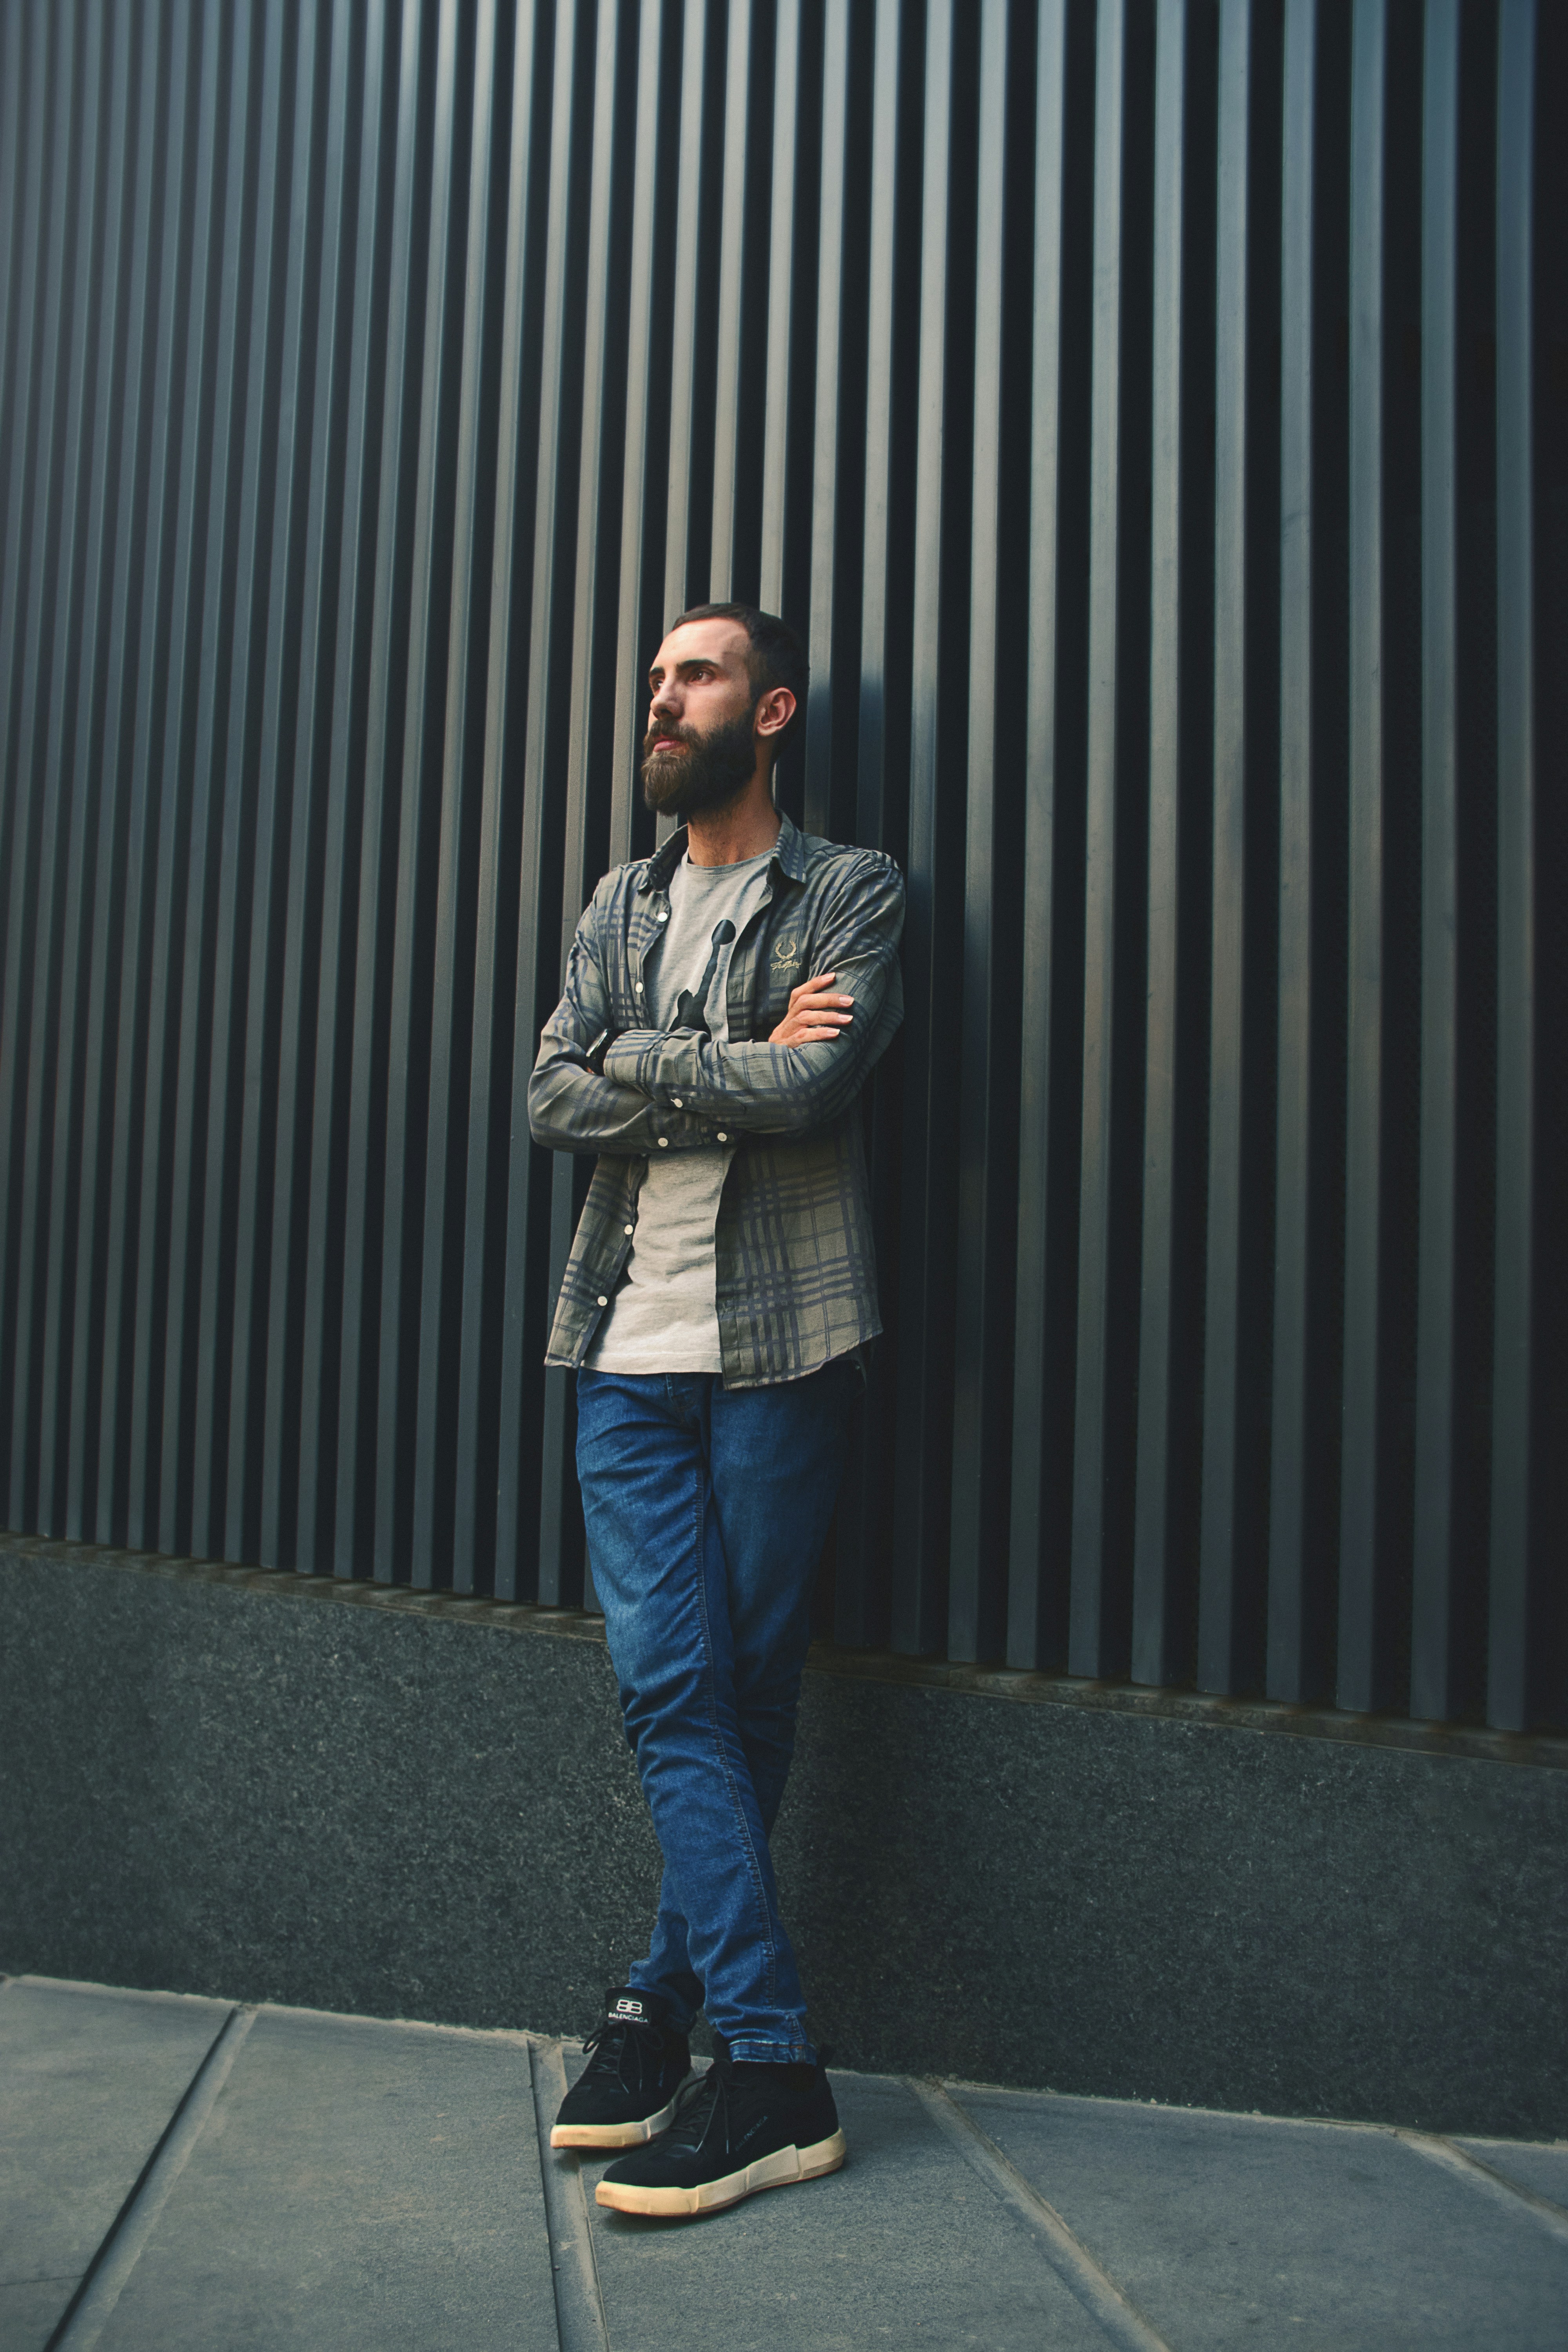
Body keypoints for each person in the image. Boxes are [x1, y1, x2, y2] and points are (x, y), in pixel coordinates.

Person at [527, 603, 905, 2219]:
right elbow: (549, 1091)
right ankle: (768, 2061)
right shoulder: (619, 898)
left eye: (694, 676)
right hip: (623, 1348)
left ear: (772, 711)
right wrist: (727, 1052)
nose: (660, 700)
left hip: (780, 1346)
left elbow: (820, 1087)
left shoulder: (848, 891)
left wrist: (647, 1060)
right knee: (670, 1686)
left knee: (740, 1695)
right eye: (657, 679)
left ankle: (651, 2009)